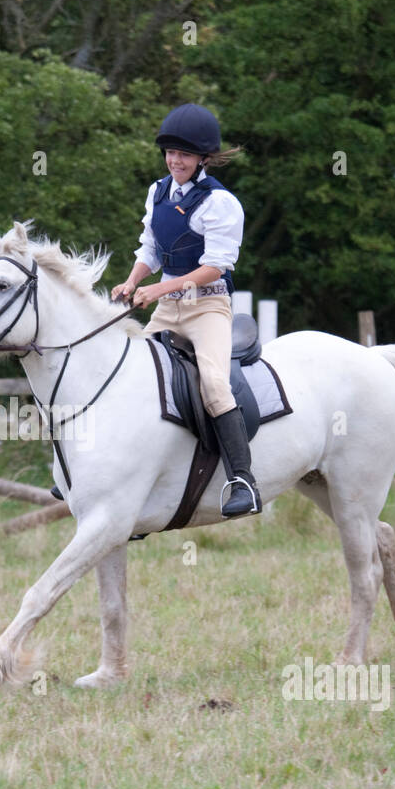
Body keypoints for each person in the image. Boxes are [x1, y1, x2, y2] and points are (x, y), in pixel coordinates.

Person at [111, 103, 259, 516]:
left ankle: (243, 480)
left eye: (184, 155)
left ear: (203, 159)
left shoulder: (220, 203)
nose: (175, 161)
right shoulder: (157, 192)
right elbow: (151, 249)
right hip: (168, 306)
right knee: (127, 377)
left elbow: (216, 265)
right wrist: (132, 280)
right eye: (170, 153)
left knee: (214, 382)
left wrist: (160, 288)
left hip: (207, 307)